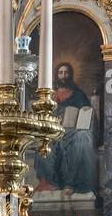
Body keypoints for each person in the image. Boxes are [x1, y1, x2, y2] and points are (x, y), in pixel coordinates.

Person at [37, 62, 96, 195]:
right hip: (54, 131)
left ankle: (71, 183)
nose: (63, 75)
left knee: (82, 138)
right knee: (45, 141)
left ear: (70, 75)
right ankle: (51, 181)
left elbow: (87, 113)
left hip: (73, 131)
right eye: (61, 72)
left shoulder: (78, 94)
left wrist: (85, 112)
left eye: (66, 72)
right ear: (57, 75)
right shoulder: (49, 95)